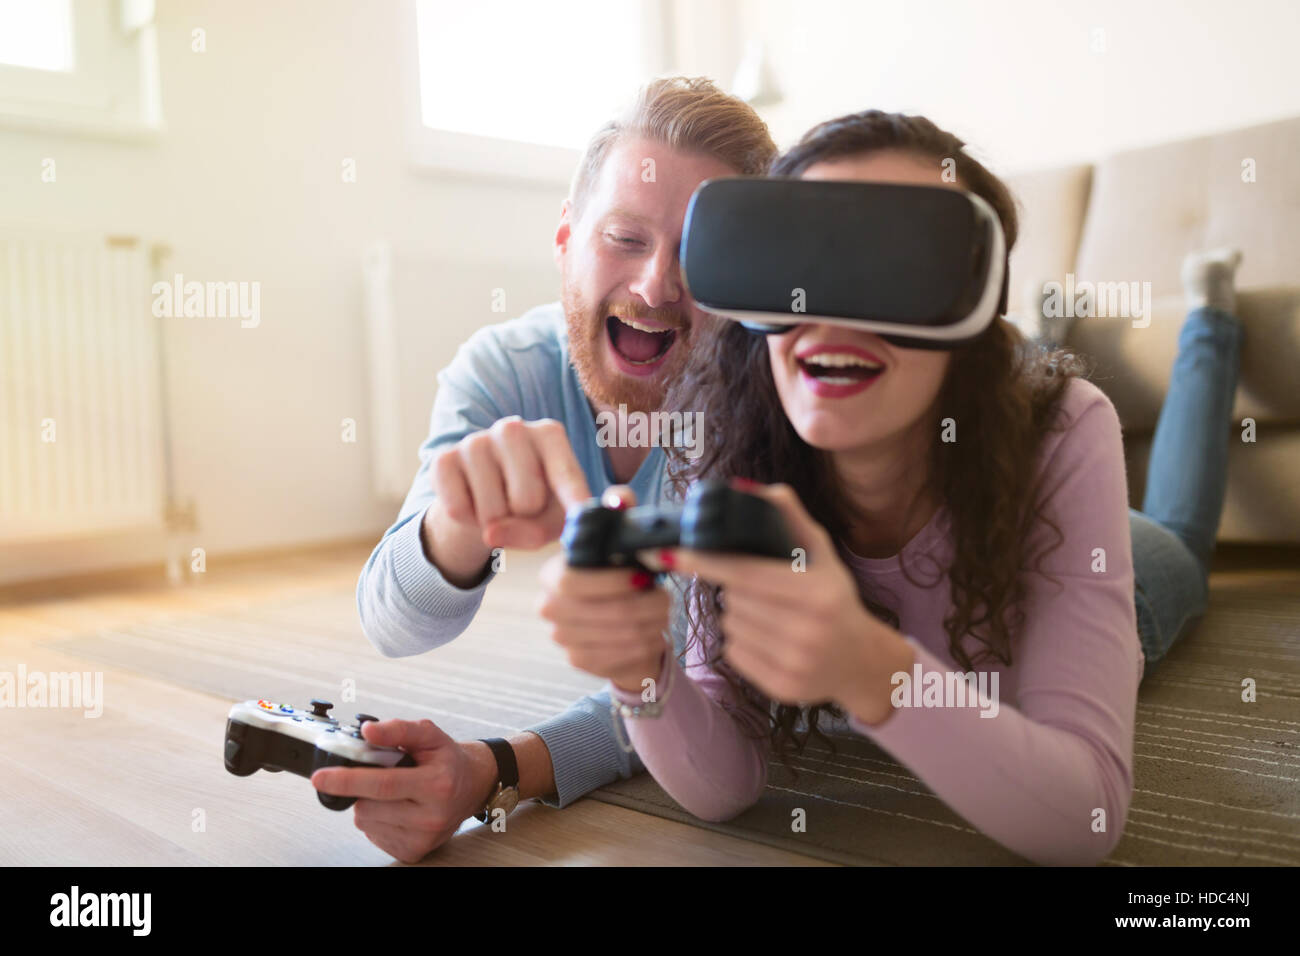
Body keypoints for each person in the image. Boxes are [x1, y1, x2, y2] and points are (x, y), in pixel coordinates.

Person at [537, 109, 1244, 866]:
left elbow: (1088, 819)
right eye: (805, 266)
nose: (833, 316)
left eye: (898, 268)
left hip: (1094, 570)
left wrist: (869, 668)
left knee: (1184, 541)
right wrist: (640, 668)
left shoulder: (1068, 429)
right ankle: (1055, 326)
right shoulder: (729, 431)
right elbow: (726, 785)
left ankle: (1212, 317)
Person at [323, 77, 778, 862]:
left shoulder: (764, 405)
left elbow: (692, 705)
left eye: (701, 259)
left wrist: (498, 769)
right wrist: (457, 524)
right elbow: (390, 625)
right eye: (625, 239)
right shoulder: (504, 370)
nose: (655, 286)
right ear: (566, 238)